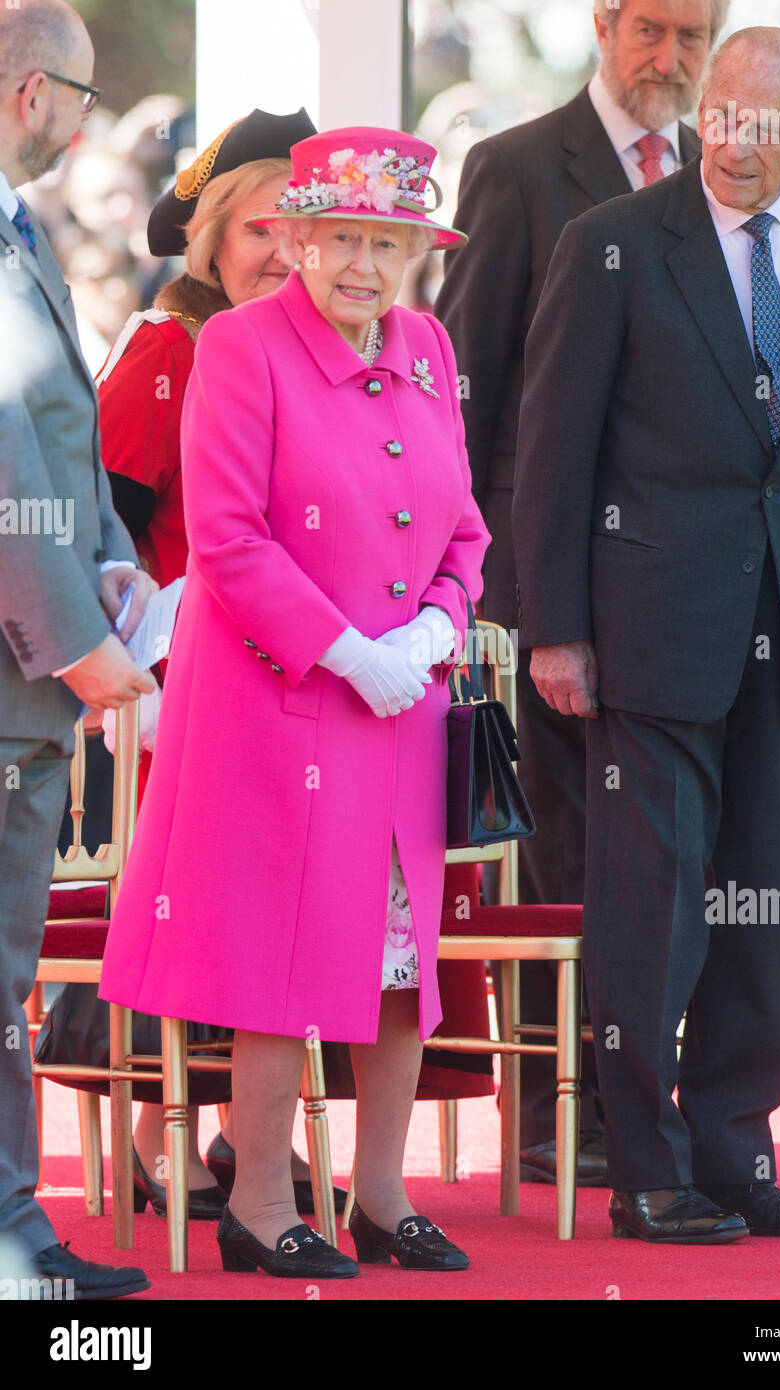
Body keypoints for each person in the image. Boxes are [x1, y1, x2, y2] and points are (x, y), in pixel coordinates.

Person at [512, 26, 780, 1243]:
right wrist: (557, 630)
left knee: (759, 899)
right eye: (721, 115)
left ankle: (737, 1150)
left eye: (766, 125)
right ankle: (645, 1165)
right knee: (656, 899)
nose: (734, 142)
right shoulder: (613, 244)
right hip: (647, 627)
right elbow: (552, 453)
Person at [99, 126, 490, 1278]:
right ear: (296, 236)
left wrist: (435, 623)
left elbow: (463, 527)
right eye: (341, 238)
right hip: (276, 702)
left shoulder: (425, 343)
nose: (363, 264)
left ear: (418, 250)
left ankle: (381, 1192)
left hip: (401, 700)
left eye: (389, 242)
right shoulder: (238, 345)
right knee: (276, 952)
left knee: (397, 957)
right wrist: (341, 648)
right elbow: (223, 536)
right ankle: (259, 1197)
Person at [435, 0, 729, 1187]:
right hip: (550, 593)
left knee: (669, 867)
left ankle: (646, 1111)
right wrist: (497, 592)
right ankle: (562, 1122)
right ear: (603, 24)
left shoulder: (724, 175)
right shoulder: (513, 167)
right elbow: (469, 382)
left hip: (691, 601)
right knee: (566, 859)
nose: (669, 58)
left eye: (693, 37)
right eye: (650, 29)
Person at [54, 109, 340, 1222]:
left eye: (299, 230)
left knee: (273, 912)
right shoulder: (170, 350)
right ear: (212, 235)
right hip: (184, 692)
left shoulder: (313, 351)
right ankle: (160, 1130)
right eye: (261, 228)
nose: (283, 251)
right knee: (212, 912)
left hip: (291, 678)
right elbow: (101, 520)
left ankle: (231, 1136)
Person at [0, 0, 157, 1297]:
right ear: (26, 92)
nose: (85, 118)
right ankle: (10, 1238)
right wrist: (76, 648)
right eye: (80, 95)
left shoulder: (22, 226)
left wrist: (108, 550)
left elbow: (62, 429)